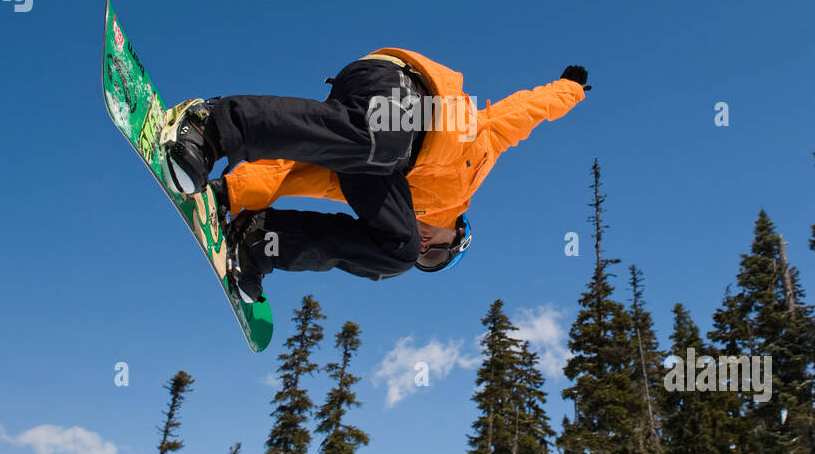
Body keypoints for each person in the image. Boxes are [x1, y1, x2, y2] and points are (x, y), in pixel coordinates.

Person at [160, 56, 589, 300]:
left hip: (379, 152)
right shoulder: (483, 150)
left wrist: (231, 194)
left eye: (428, 262)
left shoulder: (397, 201)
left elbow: (309, 172)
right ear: (456, 235)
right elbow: (529, 109)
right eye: (435, 254)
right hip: (403, 89)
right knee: (383, 144)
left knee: (393, 252)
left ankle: (259, 241)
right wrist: (569, 89)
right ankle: (211, 124)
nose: (424, 251)